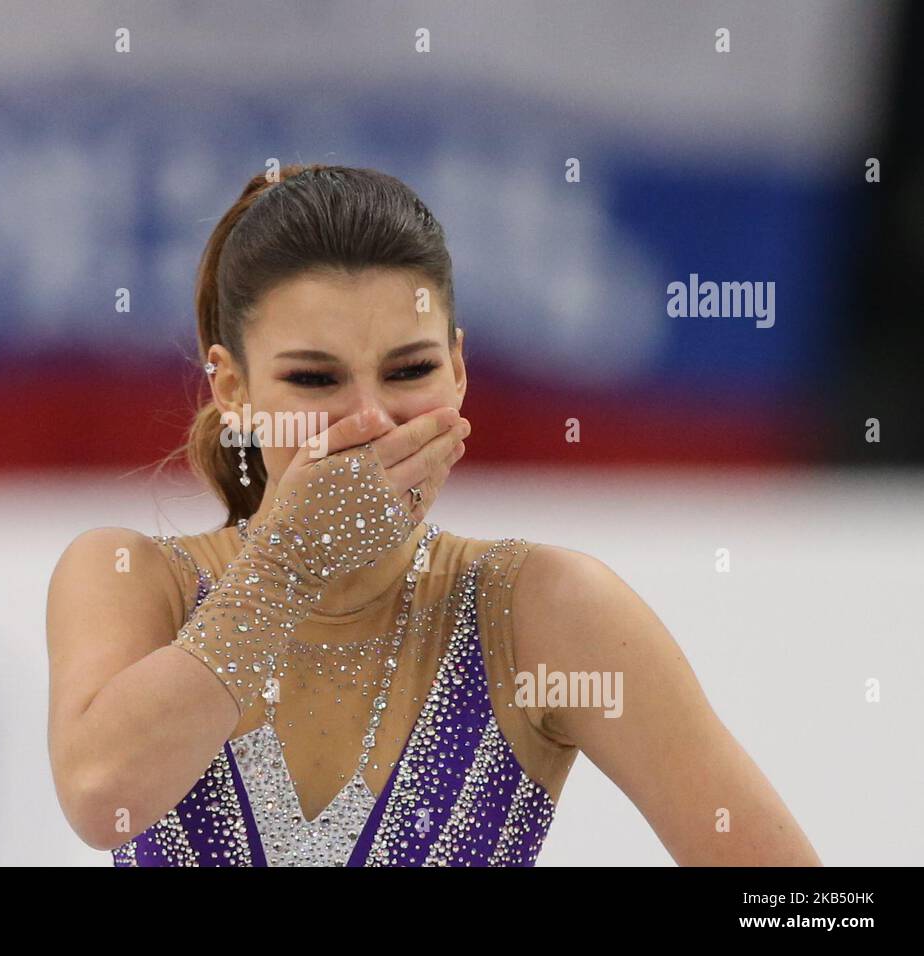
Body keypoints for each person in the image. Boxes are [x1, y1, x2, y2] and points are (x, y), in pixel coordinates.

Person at [45, 164, 821, 867]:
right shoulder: (132, 579)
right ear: (232, 391)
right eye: (316, 380)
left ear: (458, 370)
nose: (372, 418)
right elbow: (101, 796)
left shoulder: (543, 611)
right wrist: (288, 561)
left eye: (409, 370)